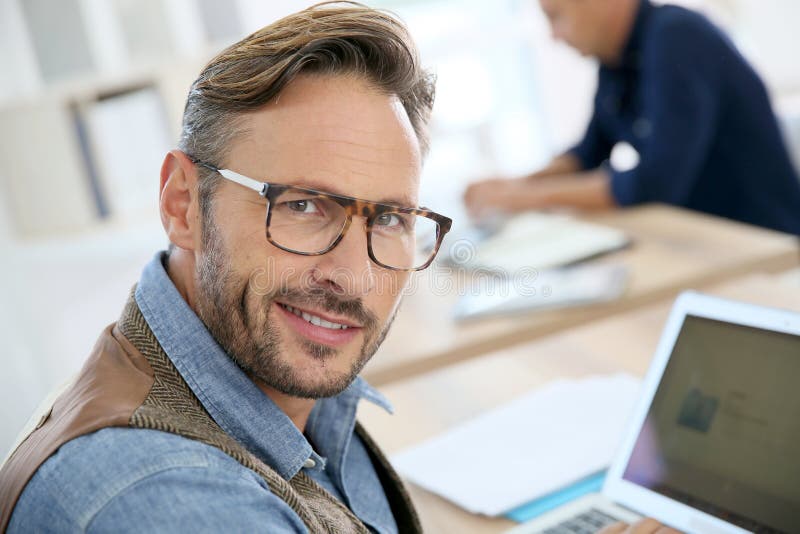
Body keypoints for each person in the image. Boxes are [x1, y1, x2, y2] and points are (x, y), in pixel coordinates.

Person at [0, 4, 452, 532]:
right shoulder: (165, 496)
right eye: (302, 205)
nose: (352, 275)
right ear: (183, 205)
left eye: (390, 217)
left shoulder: (289, 396)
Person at [464, 0, 800, 235]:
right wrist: (513, 186)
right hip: (702, 239)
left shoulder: (677, 37)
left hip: (763, 243)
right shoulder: (616, 60)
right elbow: (588, 154)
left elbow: (653, 184)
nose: (554, 35)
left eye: (556, 16)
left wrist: (524, 198)